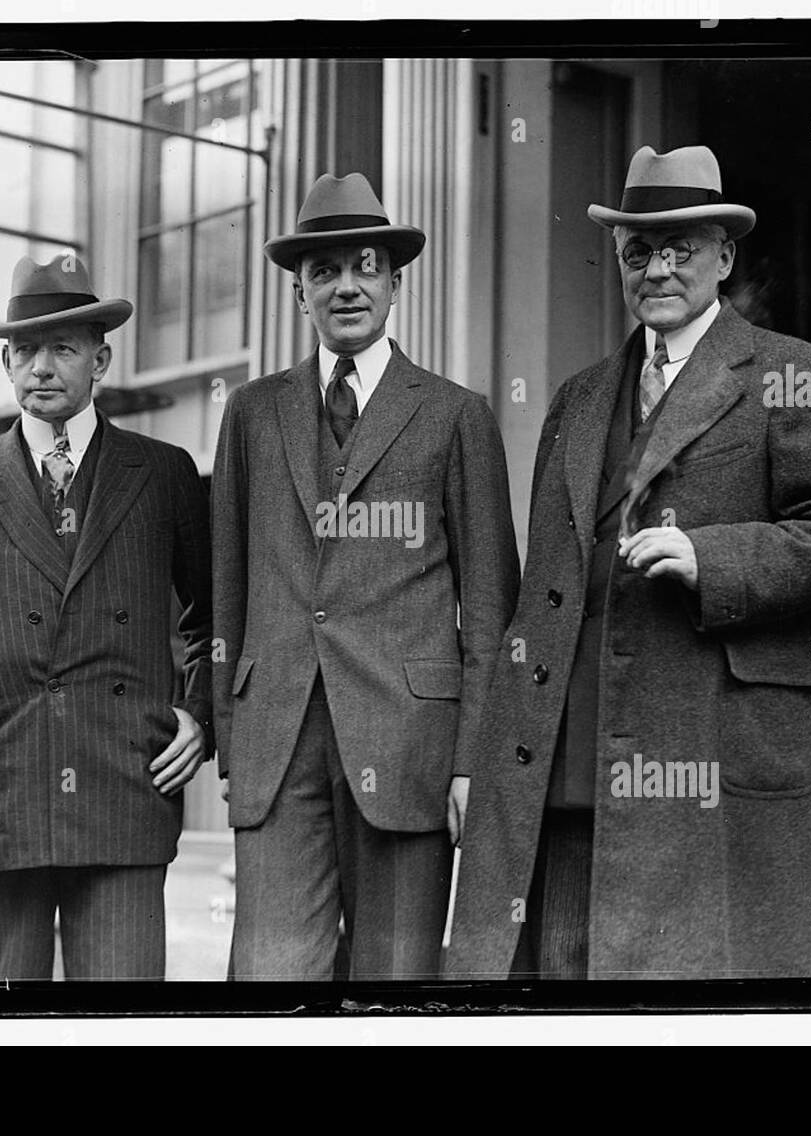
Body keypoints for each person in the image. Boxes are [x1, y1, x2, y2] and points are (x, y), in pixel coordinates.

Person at [447, 145, 811, 980]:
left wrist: (710, 556)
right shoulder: (577, 399)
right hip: (567, 764)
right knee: (557, 984)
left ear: (725, 255)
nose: (660, 266)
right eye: (639, 249)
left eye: (682, 246)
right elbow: (543, 596)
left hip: (710, 762)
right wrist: (488, 755)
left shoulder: (792, 372)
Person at [213, 173, 519, 980]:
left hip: (411, 743)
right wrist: (231, 738)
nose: (345, 285)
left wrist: (469, 762)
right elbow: (227, 585)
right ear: (299, 291)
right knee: (270, 984)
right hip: (277, 741)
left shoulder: (456, 414)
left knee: (395, 988)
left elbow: (491, 607)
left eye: (364, 266)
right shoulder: (250, 411)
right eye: (324, 271)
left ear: (394, 282)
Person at [0, 254, 212, 980]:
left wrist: (199, 714)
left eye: (63, 346)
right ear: (6, 361)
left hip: (126, 785)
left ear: (102, 358)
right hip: (3, 788)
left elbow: (214, 616)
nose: (42, 366)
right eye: (26, 348)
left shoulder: (163, 474)